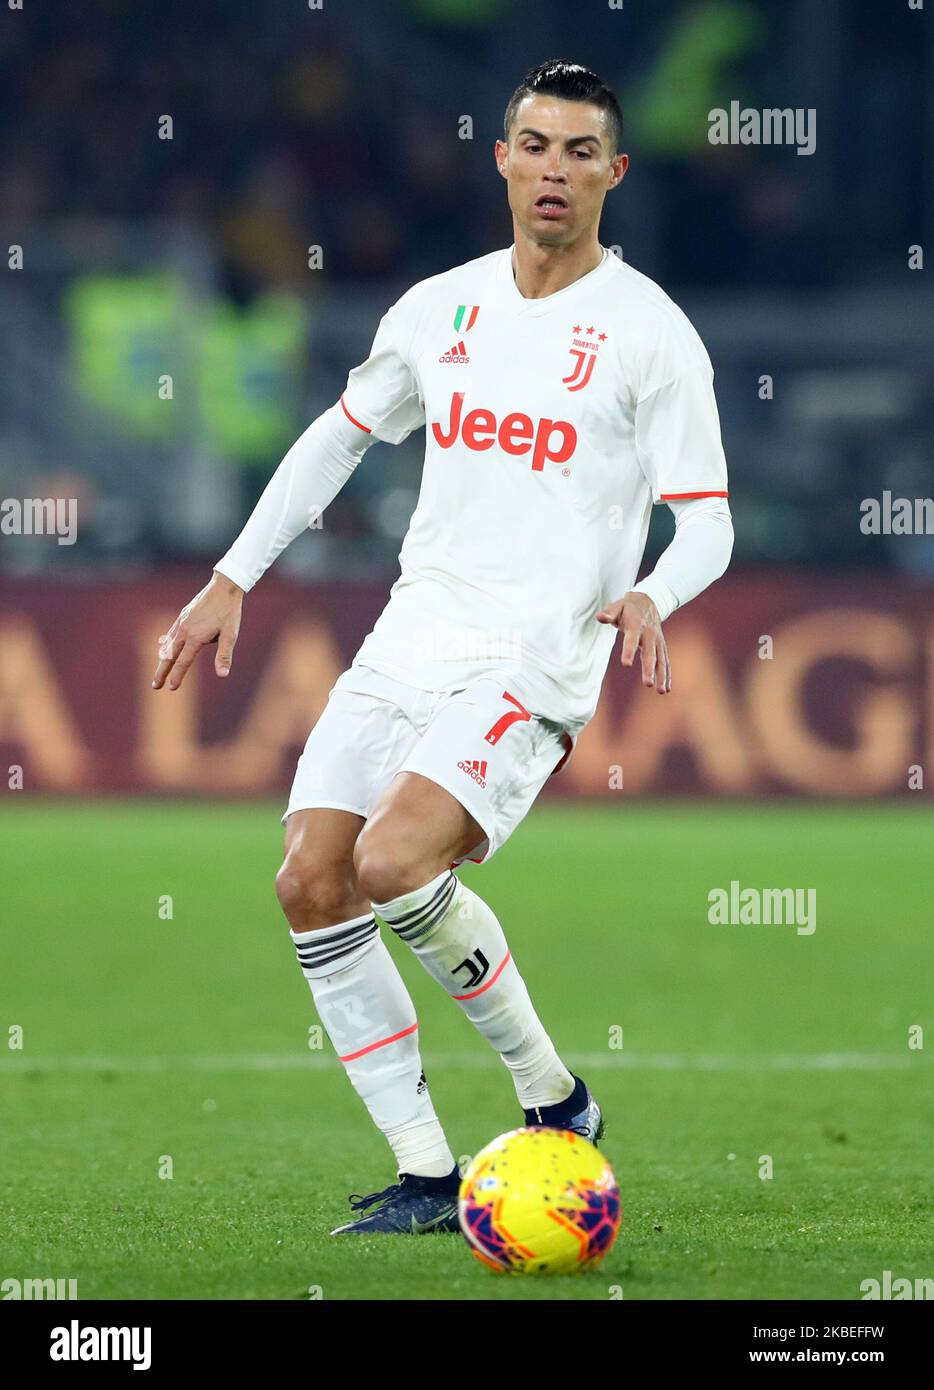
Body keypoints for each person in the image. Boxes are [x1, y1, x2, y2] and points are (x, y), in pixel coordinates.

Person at [151, 59, 734, 1236]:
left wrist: (656, 593)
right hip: (412, 633)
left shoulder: (648, 334)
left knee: (394, 859)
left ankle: (550, 1097)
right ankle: (424, 1168)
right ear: (502, 158)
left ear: (613, 172)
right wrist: (230, 578)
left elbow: (710, 518)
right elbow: (337, 438)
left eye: (579, 151)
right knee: (309, 880)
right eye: (534, 145)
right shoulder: (438, 307)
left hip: (537, 654)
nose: (553, 170)